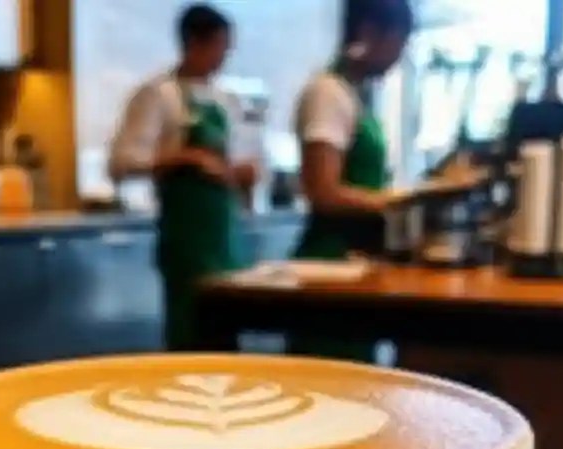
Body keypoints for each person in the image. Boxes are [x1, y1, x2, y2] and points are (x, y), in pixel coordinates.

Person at [109, 4, 257, 351]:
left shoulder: (224, 99)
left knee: (226, 338)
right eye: (218, 47)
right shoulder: (158, 95)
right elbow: (122, 162)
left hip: (225, 240)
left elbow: (228, 162)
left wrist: (241, 173)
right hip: (186, 244)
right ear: (192, 43)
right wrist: (185, 157)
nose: (223, 57)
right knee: (191, 337)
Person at [291, 0, 413, 361]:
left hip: (355, 263)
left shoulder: (355, 94)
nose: (396, 57)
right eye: (397, 43)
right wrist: (395, 202)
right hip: (329, 264)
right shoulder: (327, 93)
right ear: (369, 34)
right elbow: (323, 191)